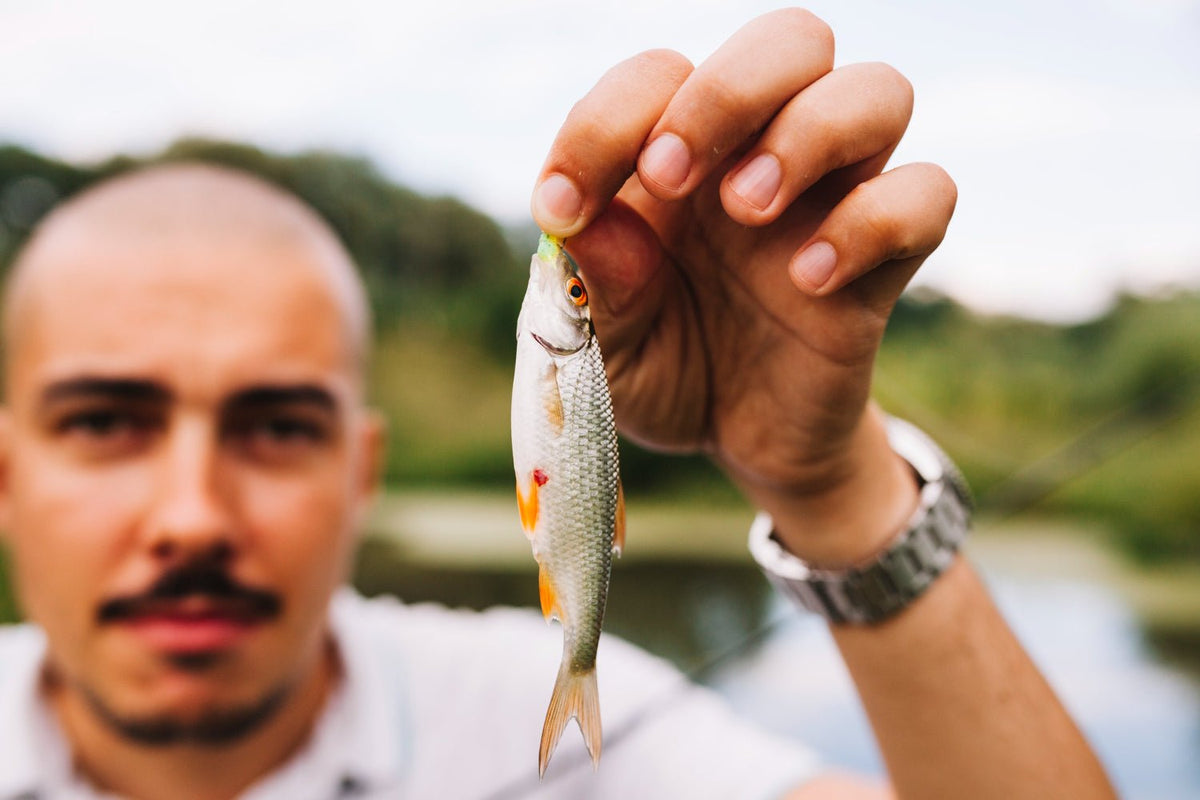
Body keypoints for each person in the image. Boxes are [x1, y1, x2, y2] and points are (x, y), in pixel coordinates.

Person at [0, 8, 1117, 800]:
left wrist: (832, 487)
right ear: (5, 475)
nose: (191, 514)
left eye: (278, 426)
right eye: (105, 422)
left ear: (362, 472)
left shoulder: (584, 725)